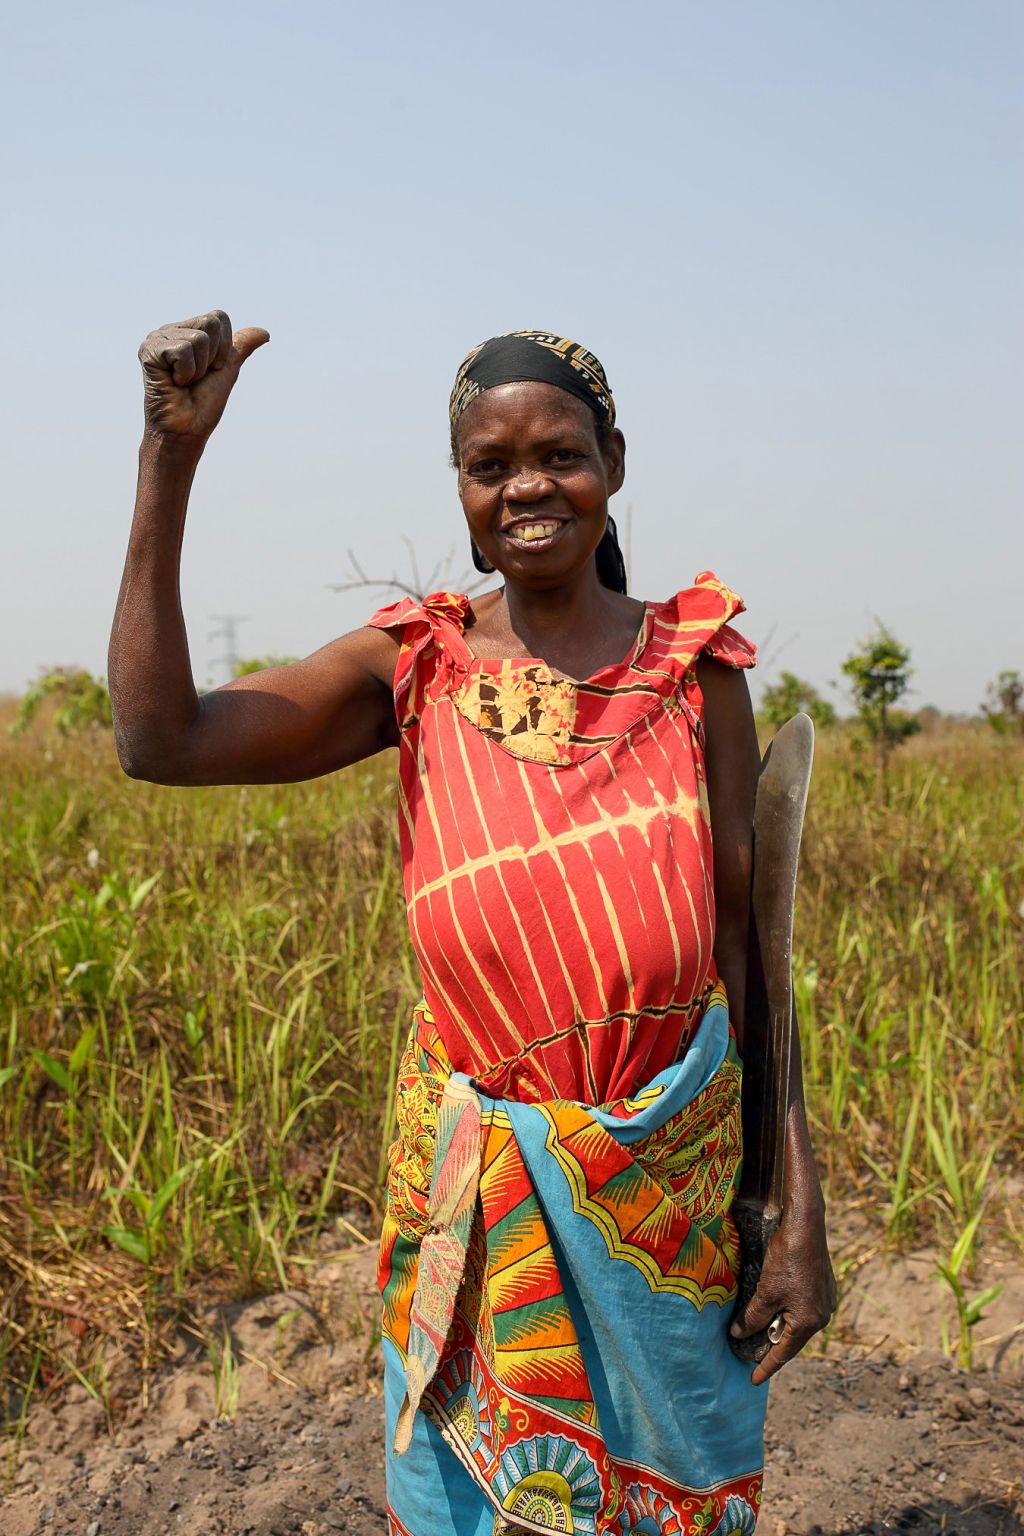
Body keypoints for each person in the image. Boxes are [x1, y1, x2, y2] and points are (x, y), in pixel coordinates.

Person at [110, 313, 836, 1536]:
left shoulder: (695, 668)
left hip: (663, 1190)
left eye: (558, 454)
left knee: (672, 1498)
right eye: (489, 466)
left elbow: (748, 952)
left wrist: (799, 1205)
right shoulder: (416, 667)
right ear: (459, 488)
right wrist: (167, 455)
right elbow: (161, 740)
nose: (527, 489)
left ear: (613, 458)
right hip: (477, 1187)